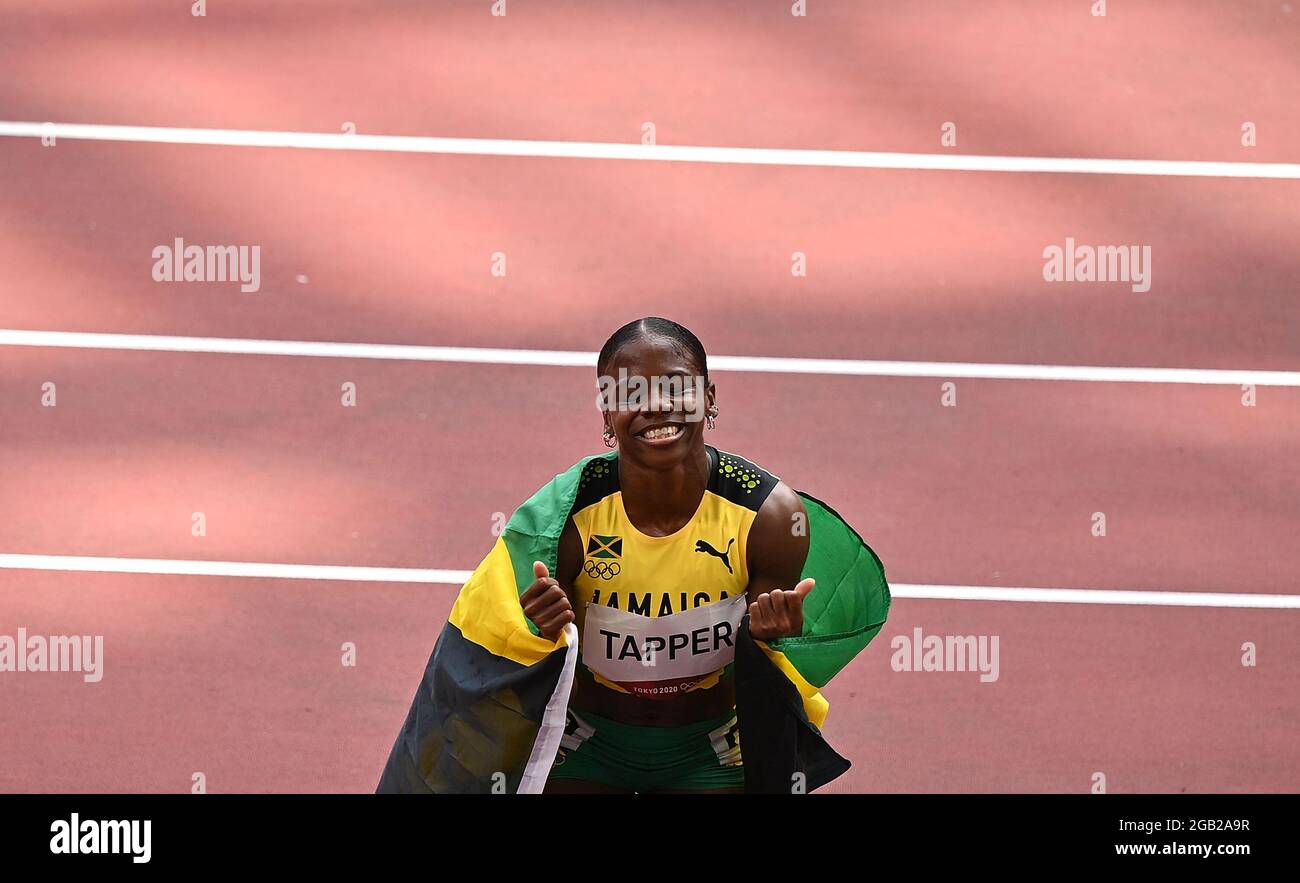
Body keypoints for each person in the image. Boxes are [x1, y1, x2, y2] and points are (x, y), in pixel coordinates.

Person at [526, 317, 816, 793]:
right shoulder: (564, 519)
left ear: (709, 398)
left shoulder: (770, 517)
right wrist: (539, 627)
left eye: (676, 388)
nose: (656, 407)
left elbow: (768, 669)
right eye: (630, 394)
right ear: (606, 416)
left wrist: (772, 636)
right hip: (587, 743)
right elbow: (510, 651)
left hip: (714, 748)